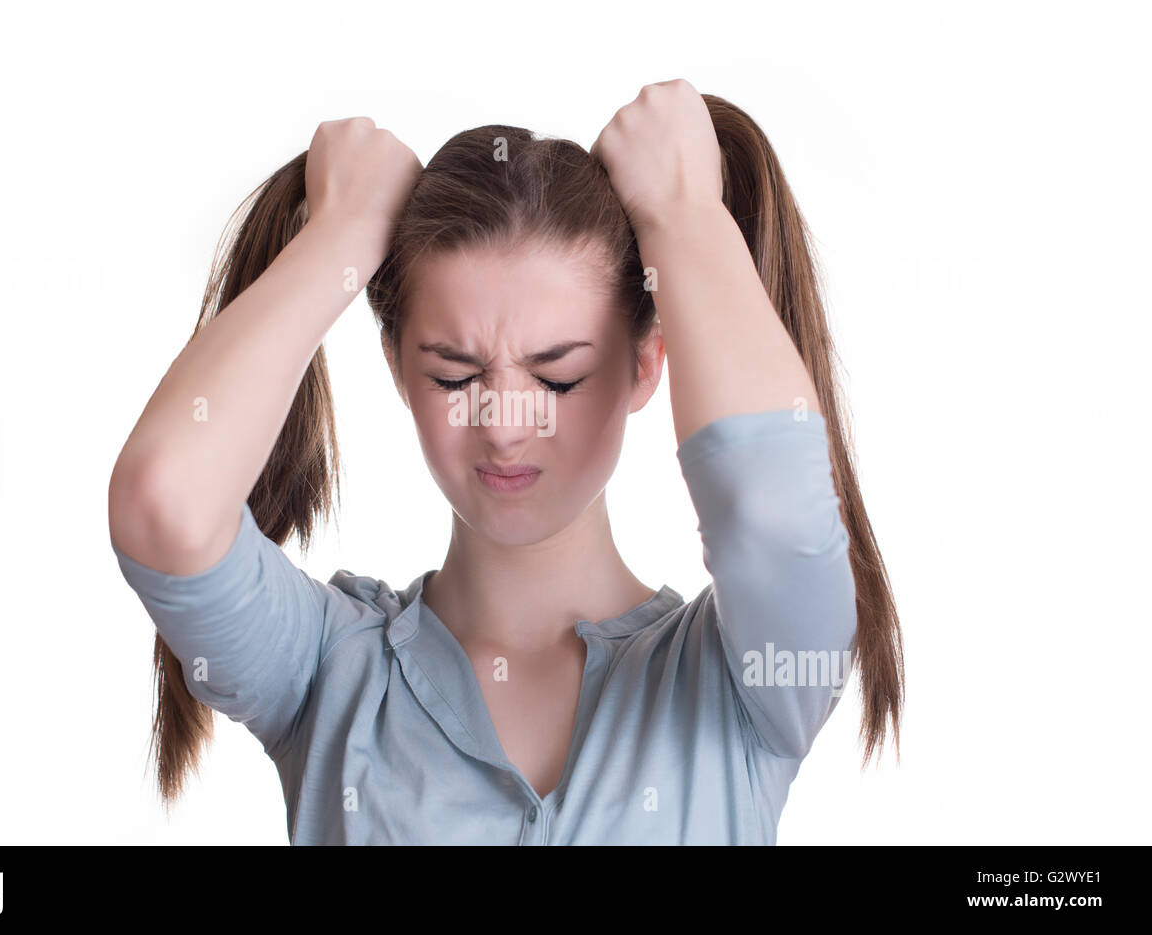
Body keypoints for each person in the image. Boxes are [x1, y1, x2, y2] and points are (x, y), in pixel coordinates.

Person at [108, 79, 904, 844]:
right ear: (397, 368)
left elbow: (774, 510)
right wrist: (343, 235)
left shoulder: (749, 682)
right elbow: (165, 501)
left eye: (557, 376)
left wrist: (684, 218)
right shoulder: (325, 672)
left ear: (646, 363)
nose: (504, 426)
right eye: (454, 374)